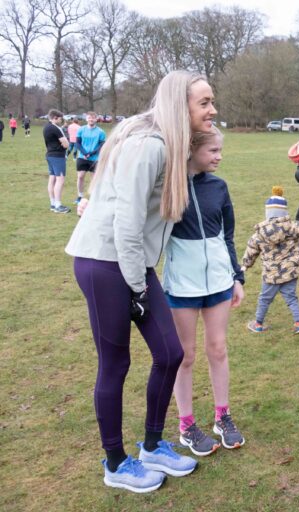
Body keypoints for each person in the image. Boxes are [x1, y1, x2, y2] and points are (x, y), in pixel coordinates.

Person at [65, 70, 217, 493]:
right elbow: (127, 224)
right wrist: (139, 286)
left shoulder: (170, 144)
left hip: (132, 262)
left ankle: (152, 446)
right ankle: (116, 463)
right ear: (180, 104)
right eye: (204, 102)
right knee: (116, 364)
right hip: (104, 261)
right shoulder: (148, 145)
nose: (212, 109)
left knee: (170, 353)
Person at [165, 128, 247, 455]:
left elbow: (227, 236)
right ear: (192, 149)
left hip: (219, 283)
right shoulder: (169, 187)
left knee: (218, 349)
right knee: (185, 355)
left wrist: (236, 277)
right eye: (212, 150)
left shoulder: (219, 187)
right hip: (181, 286)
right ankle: (186, 425)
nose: (219, 156)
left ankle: (222, 416)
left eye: (220, 150)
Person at [242, 186, 299, 333]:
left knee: (264, 299)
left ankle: (257, 324)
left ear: (268, 212)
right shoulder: (293, 228)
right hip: (290, 271)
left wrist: (245, 265)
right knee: (291, 298)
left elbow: (251, 250)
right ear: (284, 212)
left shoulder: (259, 234)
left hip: (271, 275)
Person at [74, 112, 107, 205]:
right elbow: (77, 143)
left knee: (94, 179)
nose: (91, 119)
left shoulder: (101, 132)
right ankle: (80, 196)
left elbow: (101, 145)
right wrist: (84, 153)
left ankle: (93, 197)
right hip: (82, 157)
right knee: (80, 177)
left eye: (93, 118)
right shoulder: (81, 130)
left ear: (96, 119)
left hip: (94, 158)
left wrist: (92, 153)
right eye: (89, 118)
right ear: (86, 119)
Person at [43, 109, 71, 213]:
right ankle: (58, 205)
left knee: (52, 179)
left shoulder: (46, 127)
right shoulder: (55, 128)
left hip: (50, 155)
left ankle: (53, 203)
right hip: (58, 156)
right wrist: (66, 143)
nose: (61, 120)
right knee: (60, 180)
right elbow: (66, 144)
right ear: (55, 118)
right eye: (60, 119)